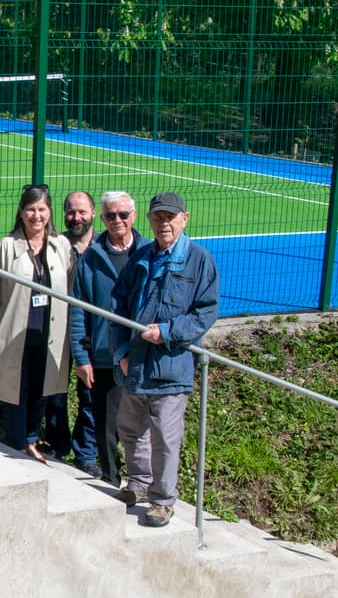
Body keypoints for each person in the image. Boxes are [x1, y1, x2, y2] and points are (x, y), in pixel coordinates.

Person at [111, 192, 220, 527]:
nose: (164, 224)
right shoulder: (141, 256)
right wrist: (122, 351)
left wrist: (168, 332)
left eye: (170, 217)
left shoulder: (199, 260)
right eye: (158, 217)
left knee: (164, 439)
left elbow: (205, 313)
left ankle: (162, 500)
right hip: (135, 365)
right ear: (149, 219)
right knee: (130, 429)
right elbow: (118, 304)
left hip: (170, 368)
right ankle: (139, 483)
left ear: (185, 219)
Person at [0, 185, 74, 462]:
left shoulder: (61, 245)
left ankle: (32, 437)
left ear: (50, 212)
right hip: (16, 330)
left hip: (49, 330)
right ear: (21, 213)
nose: (37, 215)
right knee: (16, 388)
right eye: (31, 209)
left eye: (42, 209)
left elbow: (69, 283)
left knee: (42, 386)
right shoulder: (7, 246)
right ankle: (17, 441)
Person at [68, 191, 147, 486]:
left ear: (133, 216)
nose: (118, 220)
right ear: (102, 219)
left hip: (141, 355)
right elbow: (78, 311)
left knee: (141, 425)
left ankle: (141, 482)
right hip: (103, 355)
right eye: (111, 215)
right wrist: (82, 357)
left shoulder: (149, 253)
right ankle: (111, 480)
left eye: (123, 215)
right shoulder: (91, 259)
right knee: (104, 424)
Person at [46, 190, 100, 473]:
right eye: (71, 212)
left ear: (93, 213)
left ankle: (85, 454)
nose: (76, 217)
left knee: (90, 393)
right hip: (56, 328)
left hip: (91, 331)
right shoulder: (54, 244)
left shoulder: (104, 246)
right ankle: (58, 445)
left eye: (82, 212)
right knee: (54, 392)